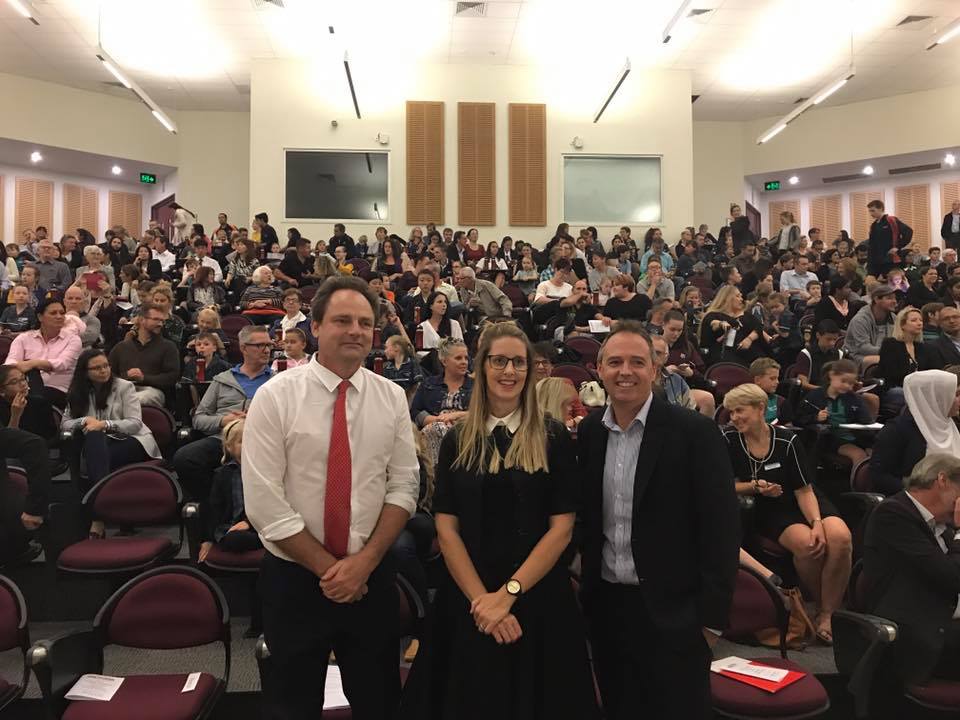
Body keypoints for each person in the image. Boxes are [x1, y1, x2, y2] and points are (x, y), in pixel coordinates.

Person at [240, 275, 418, 718]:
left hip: (370, 577)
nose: (355, 330)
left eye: (364, 322)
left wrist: (361, 566)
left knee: (378, 700)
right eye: (342, 320)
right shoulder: (274, 397)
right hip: (295, 578)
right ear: (315, 326)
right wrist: (333, 571)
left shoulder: (391, 397)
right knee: (293, 703)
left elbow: (403, 487)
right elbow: (264, 504)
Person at [403, 322, 596, 720]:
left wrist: (507, 595)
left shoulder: (553, 436)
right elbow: (447, 529)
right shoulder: (458, 439)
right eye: (499, 361)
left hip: (538, 597)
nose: (510, 371)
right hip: (470, 597)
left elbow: (561, 529)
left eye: (519, 363)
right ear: (481, 367)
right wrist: (482, 602)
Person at [578, 320, 739, 719]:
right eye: (614, 362)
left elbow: (721, 531)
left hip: (676, 613)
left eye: (636, 361)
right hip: (609, 608)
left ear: (654, 369)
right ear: (600, 370)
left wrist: (711, 625)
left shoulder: (694, 432)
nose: (625, 371)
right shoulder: (589, 432)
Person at [723, 383, 852, 644]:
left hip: (803, 497)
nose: (734, 418)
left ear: (760, 408)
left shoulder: (786, 439)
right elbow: (723, 485)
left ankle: (828, 613)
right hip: (769, 507)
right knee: (808, 545)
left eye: (739, 411)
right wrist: (754, 487)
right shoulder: (729, 439)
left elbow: (804, 489)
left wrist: (816, 522)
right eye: (730, 413)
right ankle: (820, 607)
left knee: (840, 538)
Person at [862, 454, 960, 690]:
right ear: (942, 480)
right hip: (917, 636)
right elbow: (952, 577)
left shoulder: (940, 524)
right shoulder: (893, 515)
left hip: (942, 619)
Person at [61, 349, 161, 537]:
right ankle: (98, 514)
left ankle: (95, 516)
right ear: (85, 372)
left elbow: (134, 423)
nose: (104, 370)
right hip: (97, 445)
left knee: (91, 450)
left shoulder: (124, 387)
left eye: (106, 365)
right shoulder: (77, 391)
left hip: (132, 441)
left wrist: (104, 425)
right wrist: (84, 421)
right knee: (91, 442)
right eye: (97, 368)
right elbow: (64, 424)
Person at [174, 325, 273, 500]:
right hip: (224, 439)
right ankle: (212, 506)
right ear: (243, 348)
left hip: (264, 439)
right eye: (260, 345)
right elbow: (199, 418)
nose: (266, 350)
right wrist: (223, 420)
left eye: (269, 345)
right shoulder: (222, 380)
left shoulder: (278, 381)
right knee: (185, 458)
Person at [870, 369, 960, 495]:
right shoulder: (898, 430)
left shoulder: (951, 426)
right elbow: (880, 476)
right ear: (935, 397)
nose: (958, 400)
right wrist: (918, 495)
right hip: (917, 503)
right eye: (955, 394)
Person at [198, 418, 263, 562]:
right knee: (233, 539)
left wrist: (249, 523)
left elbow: (268, 504)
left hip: (259, 524)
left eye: (252, 439)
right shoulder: (222, 474)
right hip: (231, 528)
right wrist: (207, 540)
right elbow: (214, 508)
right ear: (229, 447)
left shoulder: (265, 471)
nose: (248, 444)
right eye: (242, 441)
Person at [3, 299, 81, 410]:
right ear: (40, 317)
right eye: (53, 313)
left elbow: (62, 364)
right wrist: (27, 367)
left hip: (59, 391)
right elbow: (10, 364)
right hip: (26, 389)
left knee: (35, 391)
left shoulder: (73, 340)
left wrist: (33, 363)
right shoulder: (24, 338)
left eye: (62, 313)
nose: (59, 316)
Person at [797, 359, 873, 467]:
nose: (847, 386)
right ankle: (859, 483)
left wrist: (865, 422)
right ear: (831, 375)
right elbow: (799, 418)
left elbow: (866, 420)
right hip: (830, 439)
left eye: (850, 383)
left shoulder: (854, 398)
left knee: (876, 454)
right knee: (859, 455)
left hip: (856, 437)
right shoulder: (815, 396)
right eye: (843, 381)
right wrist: (816, 417)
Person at [107, 303, 179, 408]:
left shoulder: (168, 347)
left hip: (152, 391)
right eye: (156, 319)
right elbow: (108, 374)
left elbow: (171, 377)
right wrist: (126, 376)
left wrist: (143, 378)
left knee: (140, 398)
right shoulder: (121, 347)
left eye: (162, 321)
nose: (160, 324)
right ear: (141, 320)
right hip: (124, 389)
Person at [699, 285, 769, 366]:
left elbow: (758, 327)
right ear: (727, 298)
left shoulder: (746, 316)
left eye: (741, 296)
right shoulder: (713, 315)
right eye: (738, 296)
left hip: (750, 355)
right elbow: (713, 323)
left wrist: (749, 339)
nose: (741, 299)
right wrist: (721, 324)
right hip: (725, 358)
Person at [844, 284, 897, 367]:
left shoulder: (893, 318)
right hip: (856, 357)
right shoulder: (860, 320)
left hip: (884, 354)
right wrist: (888, 352)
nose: (894, 301)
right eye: (889, 298)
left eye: (894, 298)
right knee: (888, 360)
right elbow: (863, 348)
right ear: (876, 299)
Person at [867, 199, 913, 278]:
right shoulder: (873, 225)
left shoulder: (891, 220)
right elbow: (872, 244)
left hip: (891, 259)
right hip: (876, 260)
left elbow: (908, 232)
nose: (871, 213)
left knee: (895, 284)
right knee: (870, 283)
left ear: (881, 209)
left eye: (873, 211)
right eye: (870, 211)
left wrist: (897, 247)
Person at [796, 320, 844, 391]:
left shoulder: (839, 354)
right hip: (812, 393)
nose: (832, 343)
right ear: (818, 335)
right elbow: (803, 384)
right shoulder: (806, 354)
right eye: (828, 339)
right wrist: (825, 390)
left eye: (834, 339)